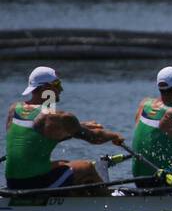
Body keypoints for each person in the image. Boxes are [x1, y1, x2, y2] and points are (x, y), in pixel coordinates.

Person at [4, 66, 124, 194]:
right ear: (45, 89)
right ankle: (106, 202)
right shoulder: (57, 117)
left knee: (64, 164)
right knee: (87, 167)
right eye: (57, 84)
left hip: (12, 182)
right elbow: (95, 138)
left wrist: (82, 125)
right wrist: (114, 135)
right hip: (33, 184)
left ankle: (75, 197)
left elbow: (34, 135)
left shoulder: (15, 109)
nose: (61, 89)